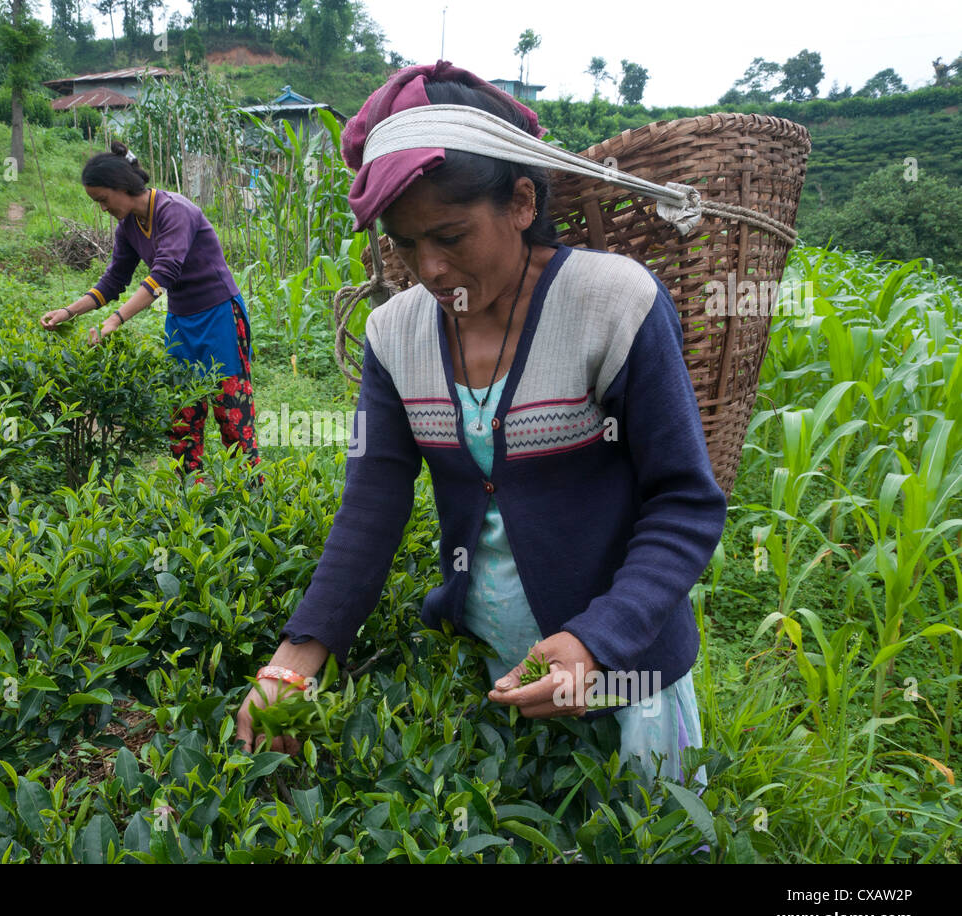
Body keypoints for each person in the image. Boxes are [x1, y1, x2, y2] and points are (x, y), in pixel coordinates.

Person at [234, 62, 728, 791]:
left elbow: (685, 502)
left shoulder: (612, 304)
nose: (428, 269)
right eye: (404, 244)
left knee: (644, 830)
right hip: (491, 668)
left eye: (451, 236)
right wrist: (294, 660)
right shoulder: (394, 335)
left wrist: (597, 642)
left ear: (522, 201)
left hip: (628, 672)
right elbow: (372, 507)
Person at [41, 141, 261, 480]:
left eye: (103, 199)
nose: (102, 208)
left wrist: (115, 320)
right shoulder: (128, 227)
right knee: (184, 414)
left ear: (122, 187)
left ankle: (252, 492)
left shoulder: (175, 211)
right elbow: (114, 280)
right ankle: (191, 491)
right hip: (181, 324)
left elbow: (164, 273)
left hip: (219, 318)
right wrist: (69, 312)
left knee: (232, 413)